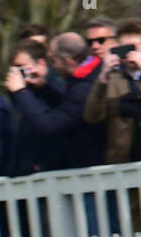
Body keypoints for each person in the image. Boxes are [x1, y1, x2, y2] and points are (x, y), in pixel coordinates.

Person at [6, 32, 106, 170]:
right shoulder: (86, 79)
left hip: (93, 170)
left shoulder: (86, 87)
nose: (52, 66)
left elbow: (51, 125)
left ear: (69, 61)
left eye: (54, 61)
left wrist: (20, 92)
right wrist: (43, 87)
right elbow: (67, 108)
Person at [5, 39, 69, 174]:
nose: (17, 74)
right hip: (24, 173)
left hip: (51, 172)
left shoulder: (60, 86)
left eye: (21, 68)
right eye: (14, 69)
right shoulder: (21, 94)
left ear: (40, 64)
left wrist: (43, 165)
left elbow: (52, 126)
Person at [84, 18, 141, 164]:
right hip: (122, 165)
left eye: (136, 47)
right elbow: (92, 116)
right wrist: (102, 78)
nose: (132, 53)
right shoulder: (112, 79)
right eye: (127, 48)